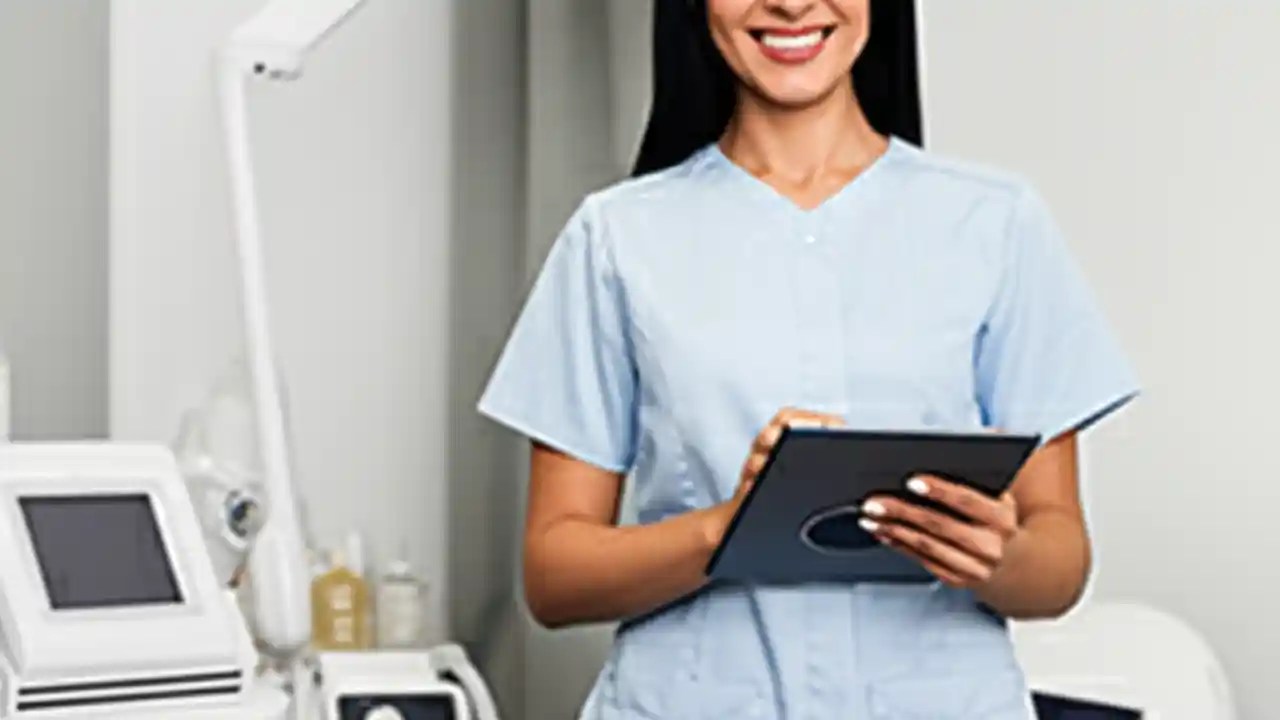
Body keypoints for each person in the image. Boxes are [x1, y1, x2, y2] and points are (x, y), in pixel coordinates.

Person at [479, 0, 1139, 717]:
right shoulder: (615, 238)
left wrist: (995, 555)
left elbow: (1061, 561)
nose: (792, 3)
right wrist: (728, 526)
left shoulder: (996, 224)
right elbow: (553, 575)